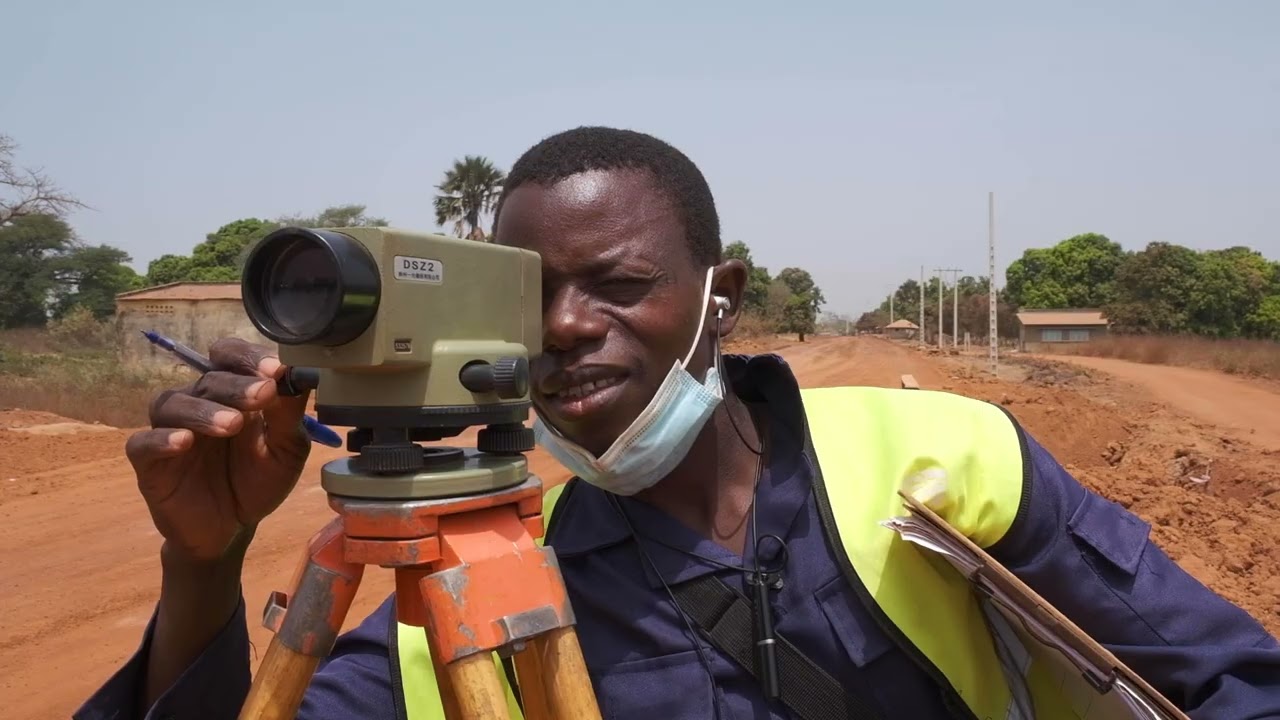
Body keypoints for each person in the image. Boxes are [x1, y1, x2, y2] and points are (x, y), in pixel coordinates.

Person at [76, 126, 1280, 720]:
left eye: (614, 284)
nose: (565, 327)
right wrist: (202, 566)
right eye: (527, 292)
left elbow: (1224, 682)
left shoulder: (940, 460)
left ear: (720, 297)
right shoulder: (474, 568)